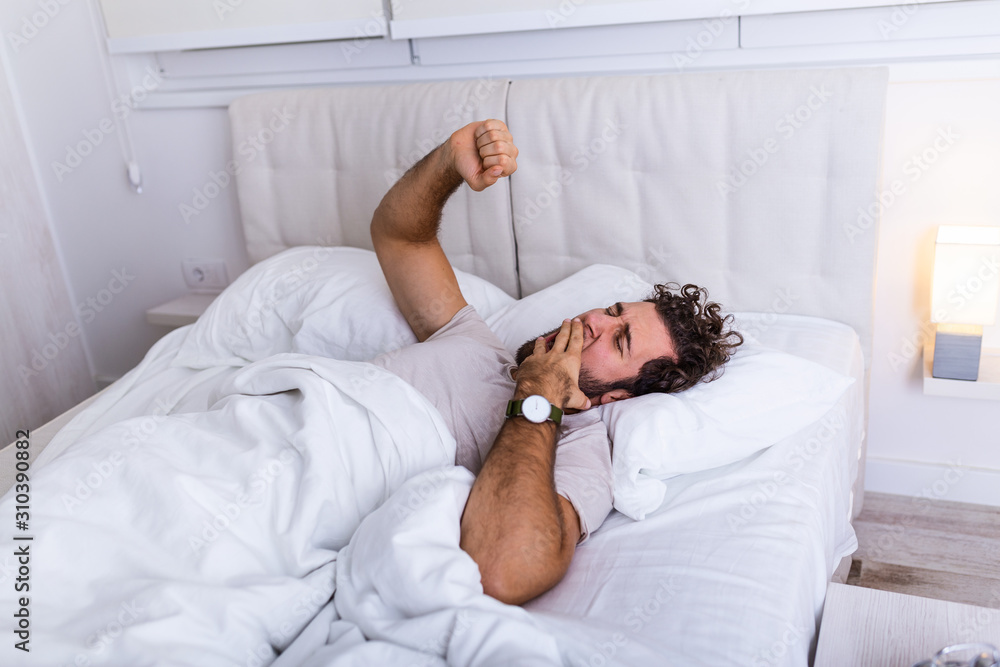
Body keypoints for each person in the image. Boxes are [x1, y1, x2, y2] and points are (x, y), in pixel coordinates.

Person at [369, 118, 742, 605]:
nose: (595, 323)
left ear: (614, 396)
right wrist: (448, 162)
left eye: (621, 340)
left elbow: (504, 570)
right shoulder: (474, 340)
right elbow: (401, 239)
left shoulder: (580, 454)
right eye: (612, 312)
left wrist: (540, 392)